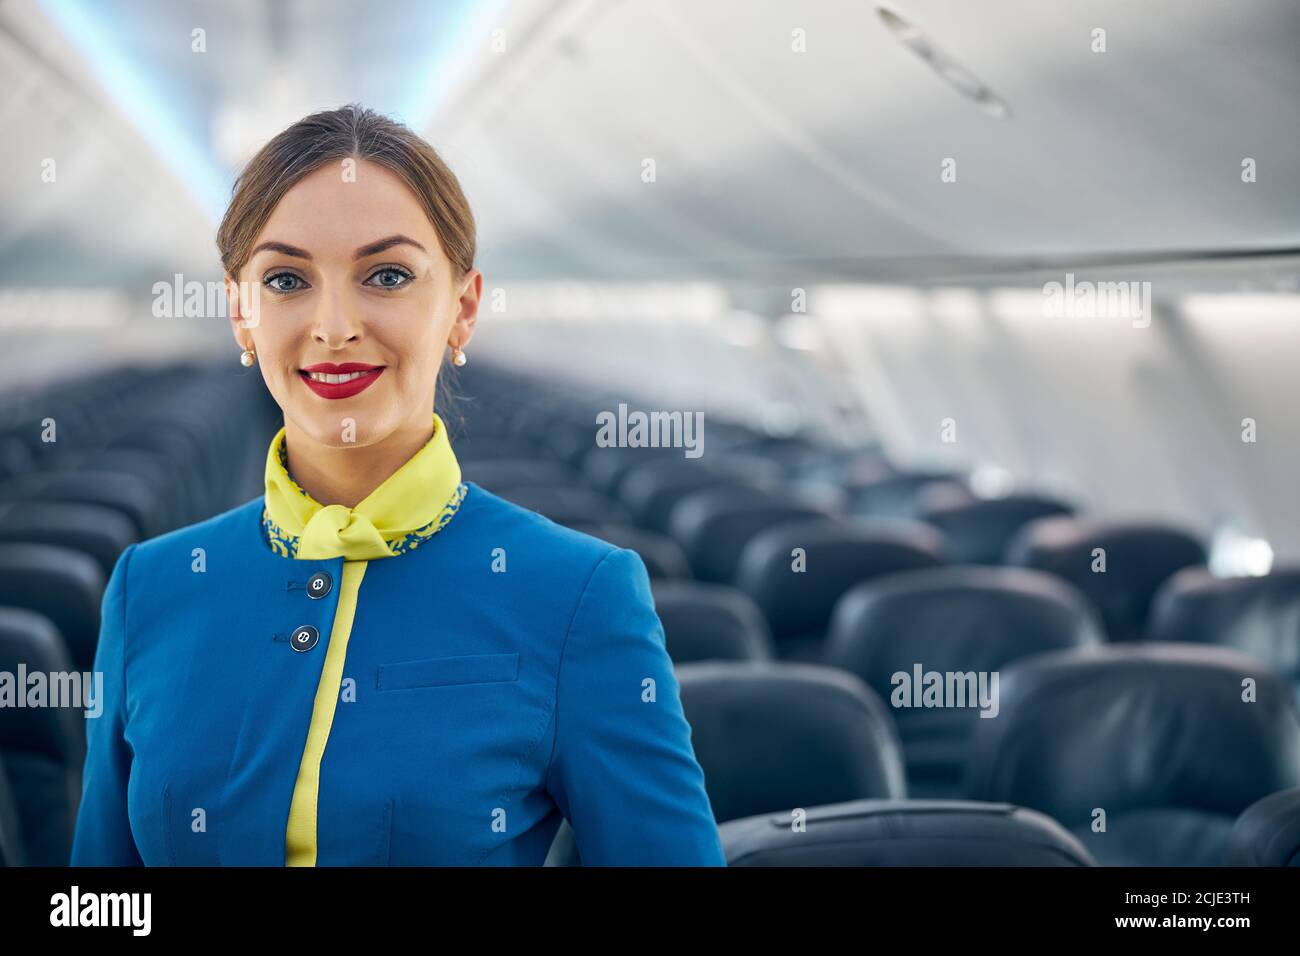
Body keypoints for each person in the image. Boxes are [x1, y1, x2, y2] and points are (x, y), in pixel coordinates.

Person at [70, 104, 725, 866]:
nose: (335, 324)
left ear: (463, 308)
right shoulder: (148, 590)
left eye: (387, 276)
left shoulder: (578, 595)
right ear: (240, 314)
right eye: (286, 279)